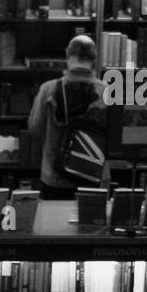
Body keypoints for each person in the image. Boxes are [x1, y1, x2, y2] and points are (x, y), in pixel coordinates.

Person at [27, 35, 107, 201]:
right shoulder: (106, 91)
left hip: (54, 177)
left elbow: (34, 130)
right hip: (93, 175)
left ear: (67, 56)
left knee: (54, 225)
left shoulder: (48, 89)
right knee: (90, 226)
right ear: (94, 59)